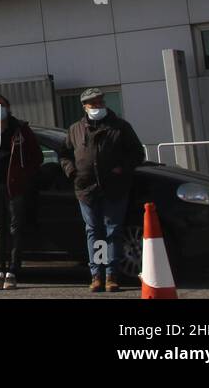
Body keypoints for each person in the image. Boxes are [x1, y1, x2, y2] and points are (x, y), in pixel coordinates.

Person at [58, 89, 145, 293]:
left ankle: (111, 275)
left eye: (99, 102)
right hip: (86, 189)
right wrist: (72, 172)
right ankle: (96, 275)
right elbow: (64, 154)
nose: (97, 106)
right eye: (92, 104)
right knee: (94, 231)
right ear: (84, 107)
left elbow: (137, 153)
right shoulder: (75, 129)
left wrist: (121, 167)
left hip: (114, 187)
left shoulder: (120, 127)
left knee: (112, 230)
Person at [0, 93, 41, 291]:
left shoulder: (19, 129)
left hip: (14, 187)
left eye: (1, 104)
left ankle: (12, 271)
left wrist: (23, 177)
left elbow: (36, 157)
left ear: (8, 107)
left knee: (15, 229)